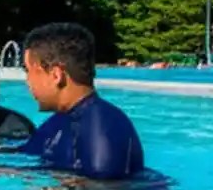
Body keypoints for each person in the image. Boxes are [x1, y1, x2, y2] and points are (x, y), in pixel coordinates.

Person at [21, 22, 144, 180]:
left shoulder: (103, 124)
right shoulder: (60, 121)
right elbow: (22, 158)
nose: (27, 81)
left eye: (28, 71)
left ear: (56, 75)